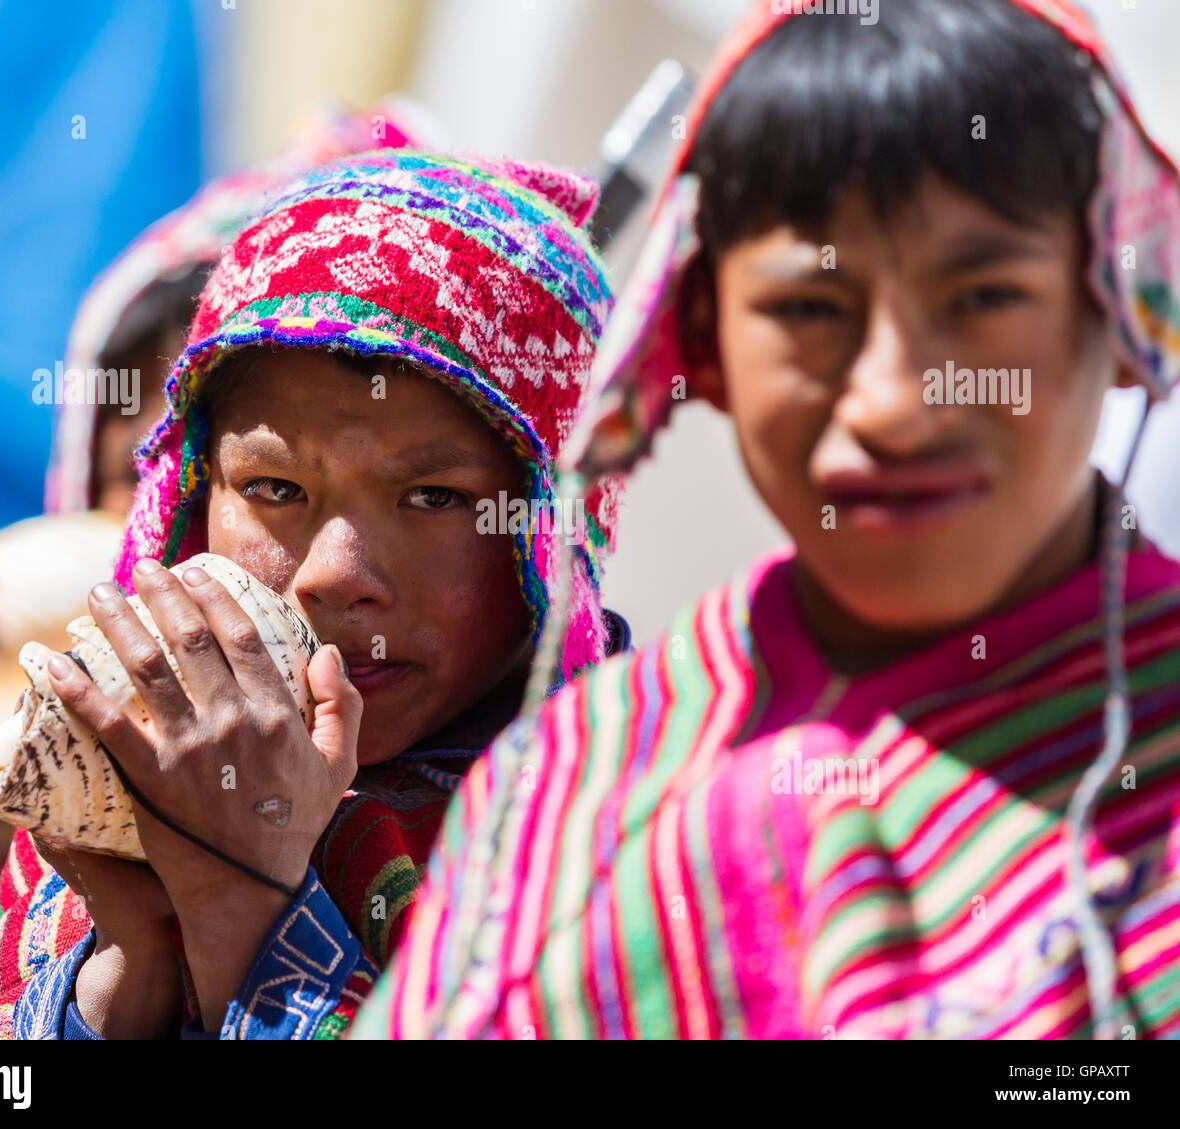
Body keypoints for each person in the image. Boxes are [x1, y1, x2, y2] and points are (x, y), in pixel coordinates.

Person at [351, 0, 1180, 1040]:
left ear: (1119, 311)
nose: (893, 403)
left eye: (982, 298)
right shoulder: (578, 780)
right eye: (811, 310)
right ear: (698, 339)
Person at [0, 150, 626, 1040]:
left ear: (551, 531)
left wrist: (245, 914)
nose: (335, 572)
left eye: (435, 498)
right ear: (187, 503)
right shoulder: (108, 806)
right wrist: (128, 972)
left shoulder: (612, 861)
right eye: (274, 489)